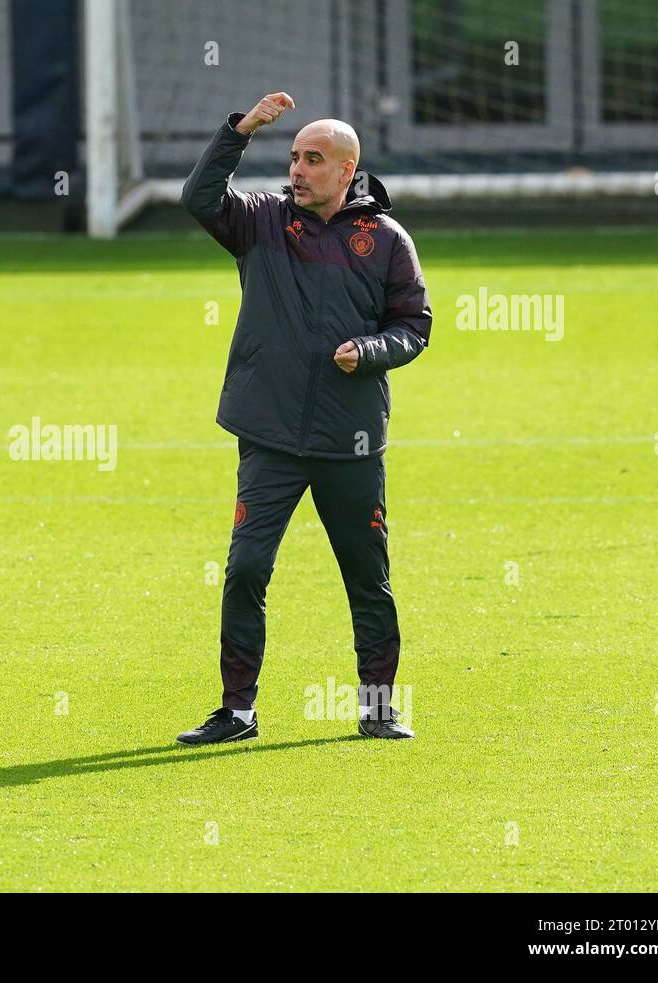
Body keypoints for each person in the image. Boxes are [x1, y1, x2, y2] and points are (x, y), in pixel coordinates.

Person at [174, 92, 431, 744]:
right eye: (293, 157)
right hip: (271, 435)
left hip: (349, 441)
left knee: (367, 578)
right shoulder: (261, 221)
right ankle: (237, 711)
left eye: (313, 159)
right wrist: (240, 131)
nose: (298, 169)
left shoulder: (386, 242)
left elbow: (414, 326)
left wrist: (370, 351)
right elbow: (200, 199)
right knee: (246, 569)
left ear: (347, 170)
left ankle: (377, 708)